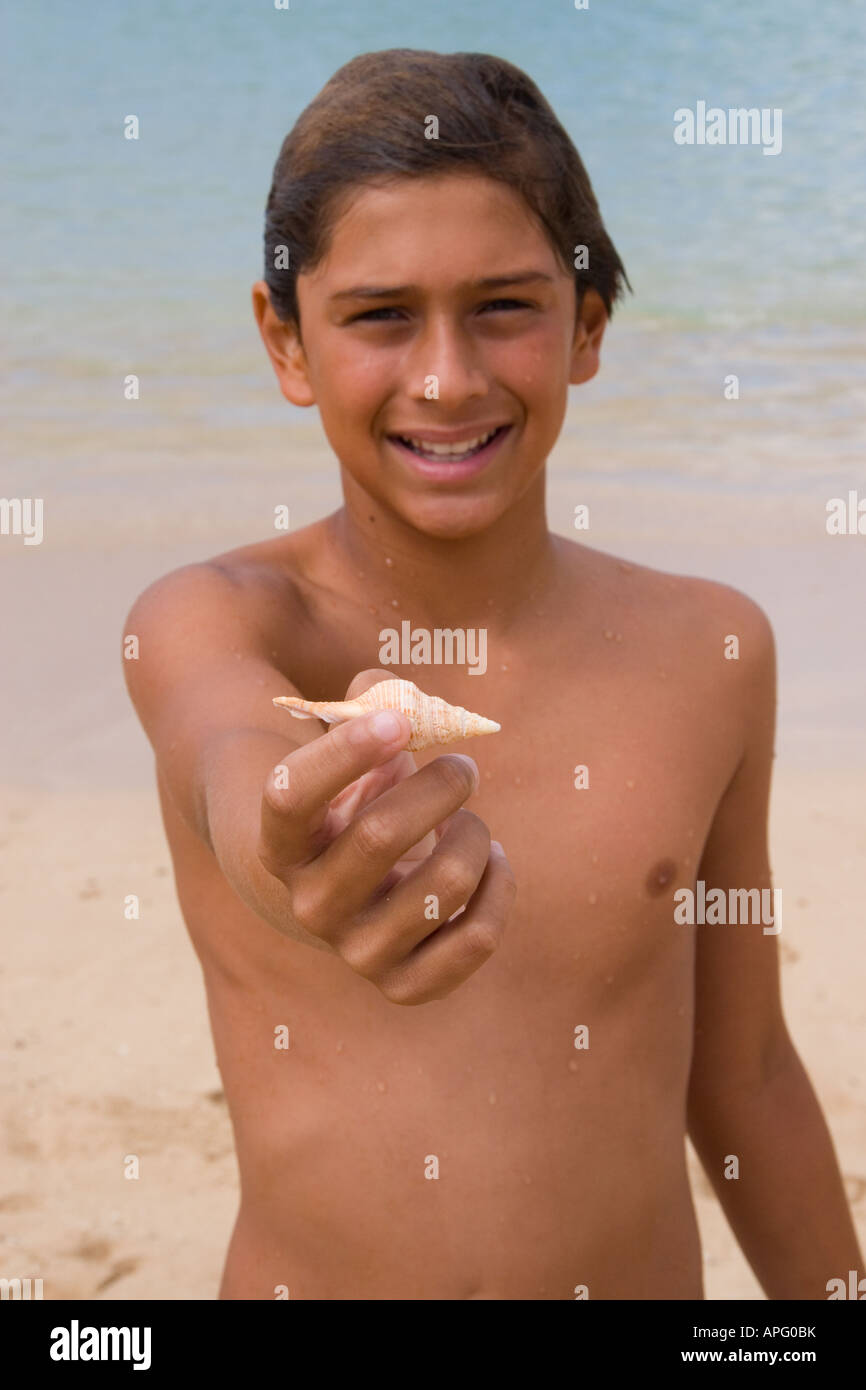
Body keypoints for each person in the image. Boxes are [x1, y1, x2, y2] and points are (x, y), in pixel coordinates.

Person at [123, 49, 861, 1299]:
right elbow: (231, 762)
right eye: (378, 315)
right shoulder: (217, 619)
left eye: (504, 306)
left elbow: (740, 1076)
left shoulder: (710, 650)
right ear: (284, 339)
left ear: (585, 326)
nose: (447, 377)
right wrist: (297, 850)